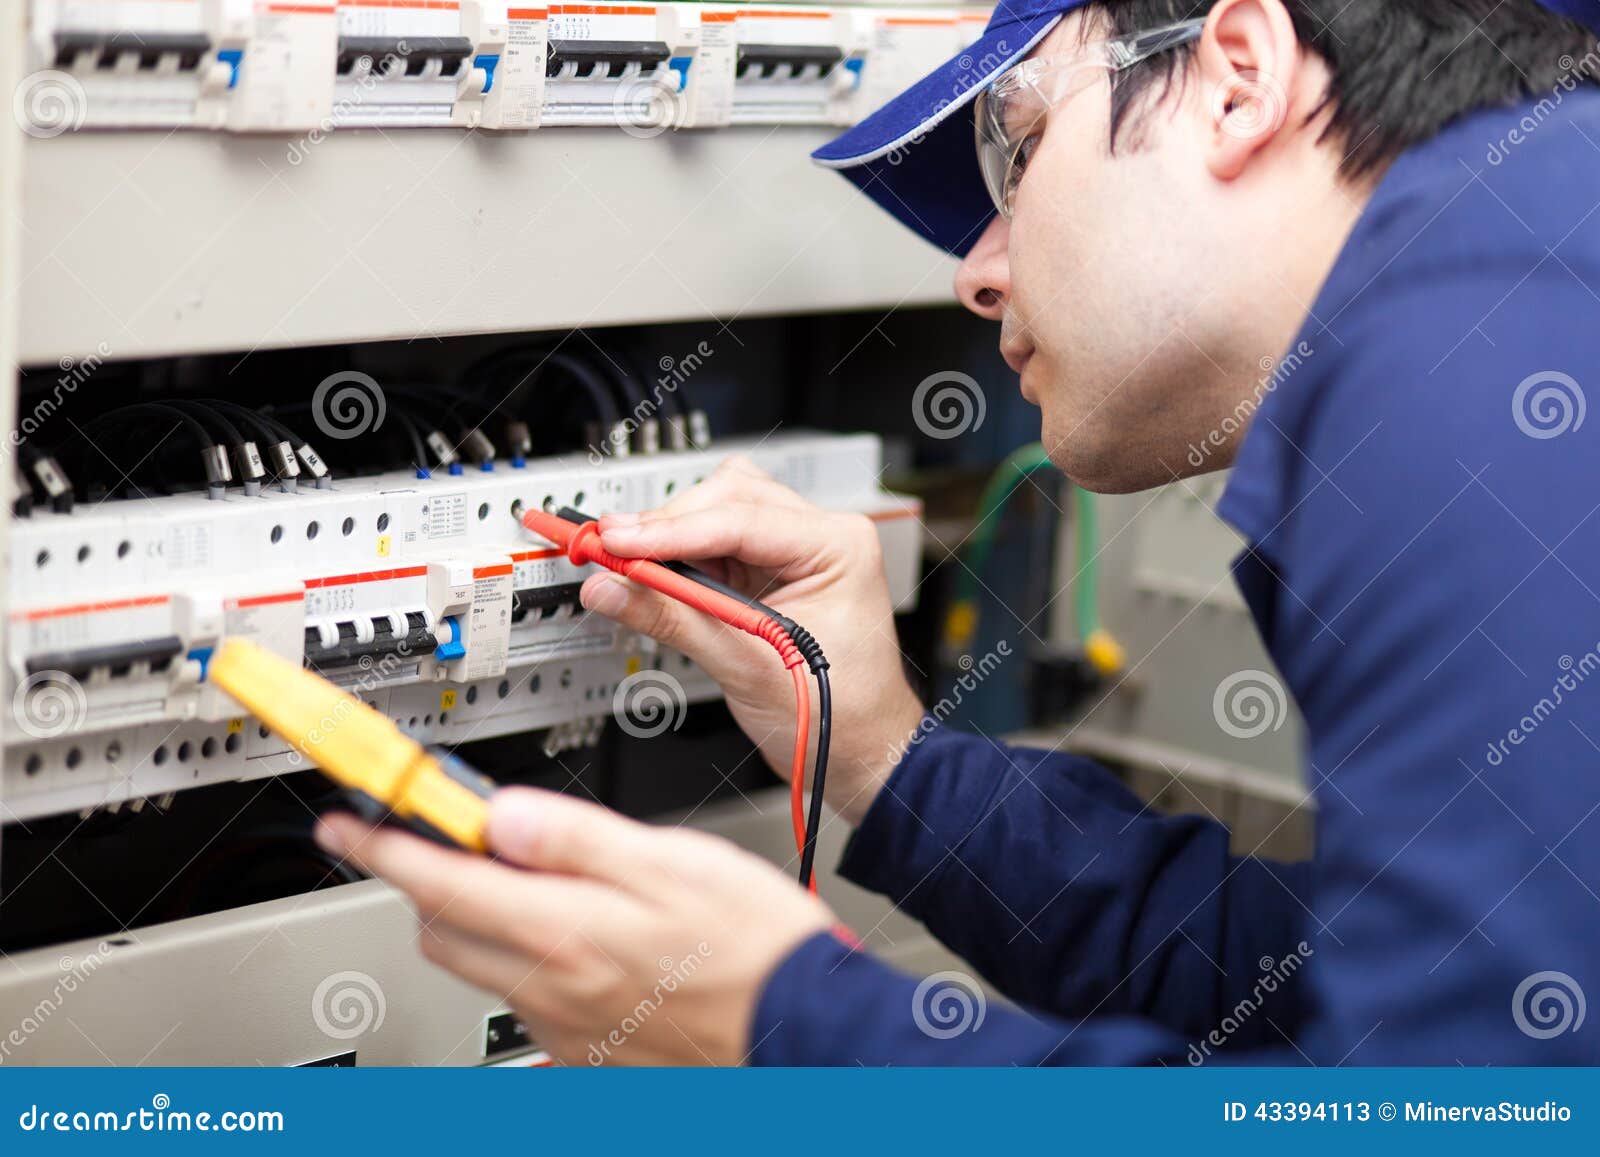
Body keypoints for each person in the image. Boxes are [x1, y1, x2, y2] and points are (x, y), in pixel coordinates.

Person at [316, 0, 1600, 1065]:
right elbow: (1317, 987)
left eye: (1019, 148)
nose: (975, 273)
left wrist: (786, 1023)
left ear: (1236, 80)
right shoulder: (1515, 280)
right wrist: (881, 755)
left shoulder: (1471, 331)